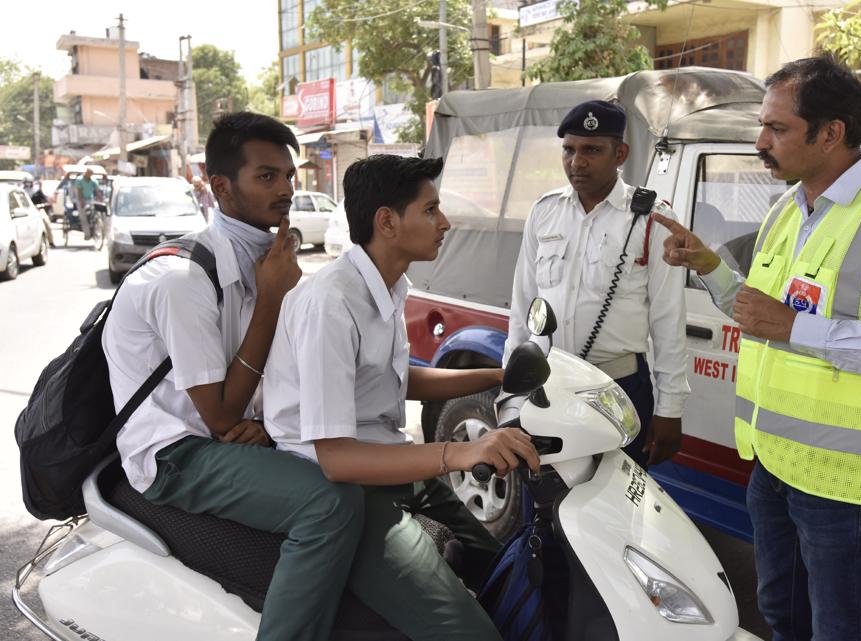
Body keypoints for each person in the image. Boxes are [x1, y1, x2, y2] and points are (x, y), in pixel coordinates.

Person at [653, 56, 861, 641]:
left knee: (839, 628)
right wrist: (711, 267)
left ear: (831, 133)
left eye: (777, 128)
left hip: (842, 483)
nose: (760, 142)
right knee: (781, 614)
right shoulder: (786, 211)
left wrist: (797, 329)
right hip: (773, 462)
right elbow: (760, 313)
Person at [102, 112, 365, 641]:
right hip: (174, 454)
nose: (287, 189)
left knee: (367, 460)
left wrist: (266, 425)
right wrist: (274, 298)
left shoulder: (268, 259)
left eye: (290, 175)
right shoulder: (182, 280)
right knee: (330, 502)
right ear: (221, 187)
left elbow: (279, 380)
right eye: (266, 177)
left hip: (232, 437)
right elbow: (220, 415)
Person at [263, 154, 540, 640]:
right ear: (387, 222)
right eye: (431, 210)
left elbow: (395, 380)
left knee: (507, 566)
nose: (445, 222)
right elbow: (336, 459)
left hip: (393, 462)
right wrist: (460, 452)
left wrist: (499, 375)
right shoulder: (331, 302)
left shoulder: (391, 286)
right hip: (347, 488)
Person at [504, 99, 690, 468]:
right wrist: (512, 392)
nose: (577, 162)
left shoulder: (652, 218)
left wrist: (670, 409)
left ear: (620, 153)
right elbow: (523, 308)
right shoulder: (544, 211)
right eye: (569, 150)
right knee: (545, 499)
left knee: (618, 504)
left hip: (618, 388)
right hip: (547, 386)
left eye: (592, 150)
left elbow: (668, 320)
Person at [72, 168, 99, 240]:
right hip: (81, 199)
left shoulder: (93, 181)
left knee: (96, 211)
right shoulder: (79, 180)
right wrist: (81, 201)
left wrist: (99, 198)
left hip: (90, 199)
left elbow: (97, 190)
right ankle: (87, 234)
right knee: (83, 217)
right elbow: (79, 191)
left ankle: (96, 227)